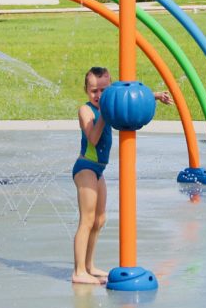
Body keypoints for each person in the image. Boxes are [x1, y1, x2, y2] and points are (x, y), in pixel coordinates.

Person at [71, 66, 172, 284]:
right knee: (87, 219)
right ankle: (79, 271)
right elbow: (94, 139)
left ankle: (89, 265)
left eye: (103, 91)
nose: (98, 95)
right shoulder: (86, 111)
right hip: (85, 168)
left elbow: (128, 98)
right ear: (86, 91)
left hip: (99, 170)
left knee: (99, 219)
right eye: (94, 91)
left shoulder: (107, 105)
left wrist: (154, 96)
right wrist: (106, 111)